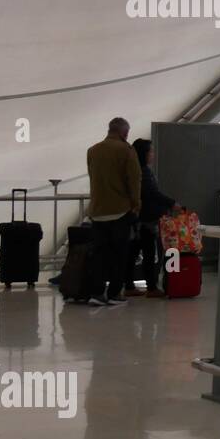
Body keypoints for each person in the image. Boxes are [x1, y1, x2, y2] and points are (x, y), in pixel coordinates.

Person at [85, 117, 141, 305]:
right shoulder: (126, 150)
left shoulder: (92, 150)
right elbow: (134, 181)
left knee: (99, 254)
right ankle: (115, 293)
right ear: (124, 133)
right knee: (119, 254)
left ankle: (96, 291)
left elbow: (93, 177)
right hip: (119, 210)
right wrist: (136, 205)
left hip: (97, 211)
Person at [125, 139, 177, 298]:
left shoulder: (134, 170)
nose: (153, 155)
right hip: (147, 219)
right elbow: (152, 194)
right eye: (151, 151)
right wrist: (172, 203)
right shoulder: (144, 172)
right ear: (144, 154)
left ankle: (128, 285)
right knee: (149, 253)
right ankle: (152, 287)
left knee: (133, 252)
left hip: (137, 219)